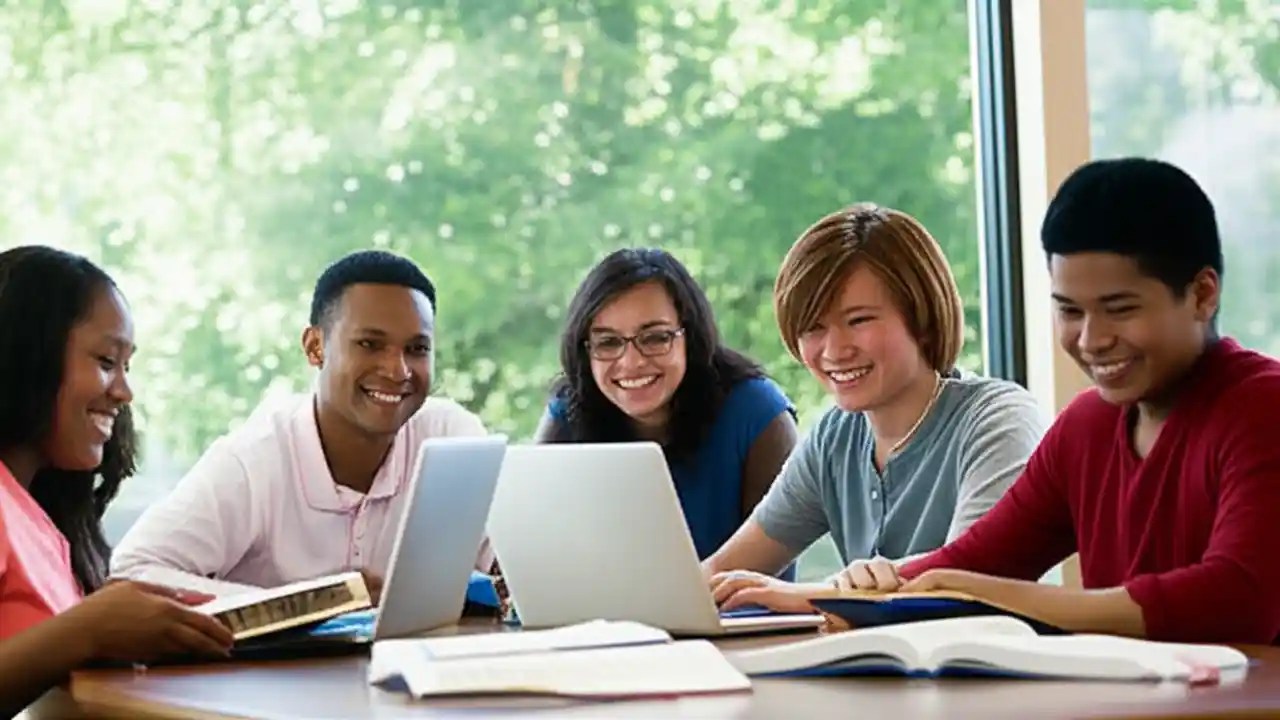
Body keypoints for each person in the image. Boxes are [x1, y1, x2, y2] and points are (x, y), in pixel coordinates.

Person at [838, 158, 1280, 645]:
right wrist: (817, 597)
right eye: (1069, 311)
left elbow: (1238, 599)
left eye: (1120, 310)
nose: (1092, 339)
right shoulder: (1086, 427)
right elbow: (971, 563)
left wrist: (996, 597)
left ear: (1202, 295)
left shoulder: (1262, 408)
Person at [704, 203, 1048, 612]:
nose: (834, 350)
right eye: (813, 327)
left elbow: (971, 582)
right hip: (880, 670)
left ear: (920, 316)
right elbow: (722, 573)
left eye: (859, 320)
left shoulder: (999, 418)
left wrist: (813, 597)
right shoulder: (835, 435)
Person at [111, 250, 489, 601]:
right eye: (370, 345)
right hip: (276, 675)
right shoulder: (255, 460)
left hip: (417, 669)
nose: (398, 370)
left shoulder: (451, 439)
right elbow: (133, 573)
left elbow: (509, 567)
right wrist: (324, 601)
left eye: (417, 349)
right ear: (315, 347)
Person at [0, 246, 233, 717]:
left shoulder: (34, 512)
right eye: (107, 361)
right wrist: (89, 628)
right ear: (28, 352)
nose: (125, 392)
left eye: (127, 366)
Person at [535, 248, 799, 573]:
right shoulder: (569, 412)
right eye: (608, 342)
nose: (631, 362)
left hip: (739, 620)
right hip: (603, 621)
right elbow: (536, 549)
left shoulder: (758, 413)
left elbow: (767, 575)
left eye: (655, 337)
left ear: (690, 336)